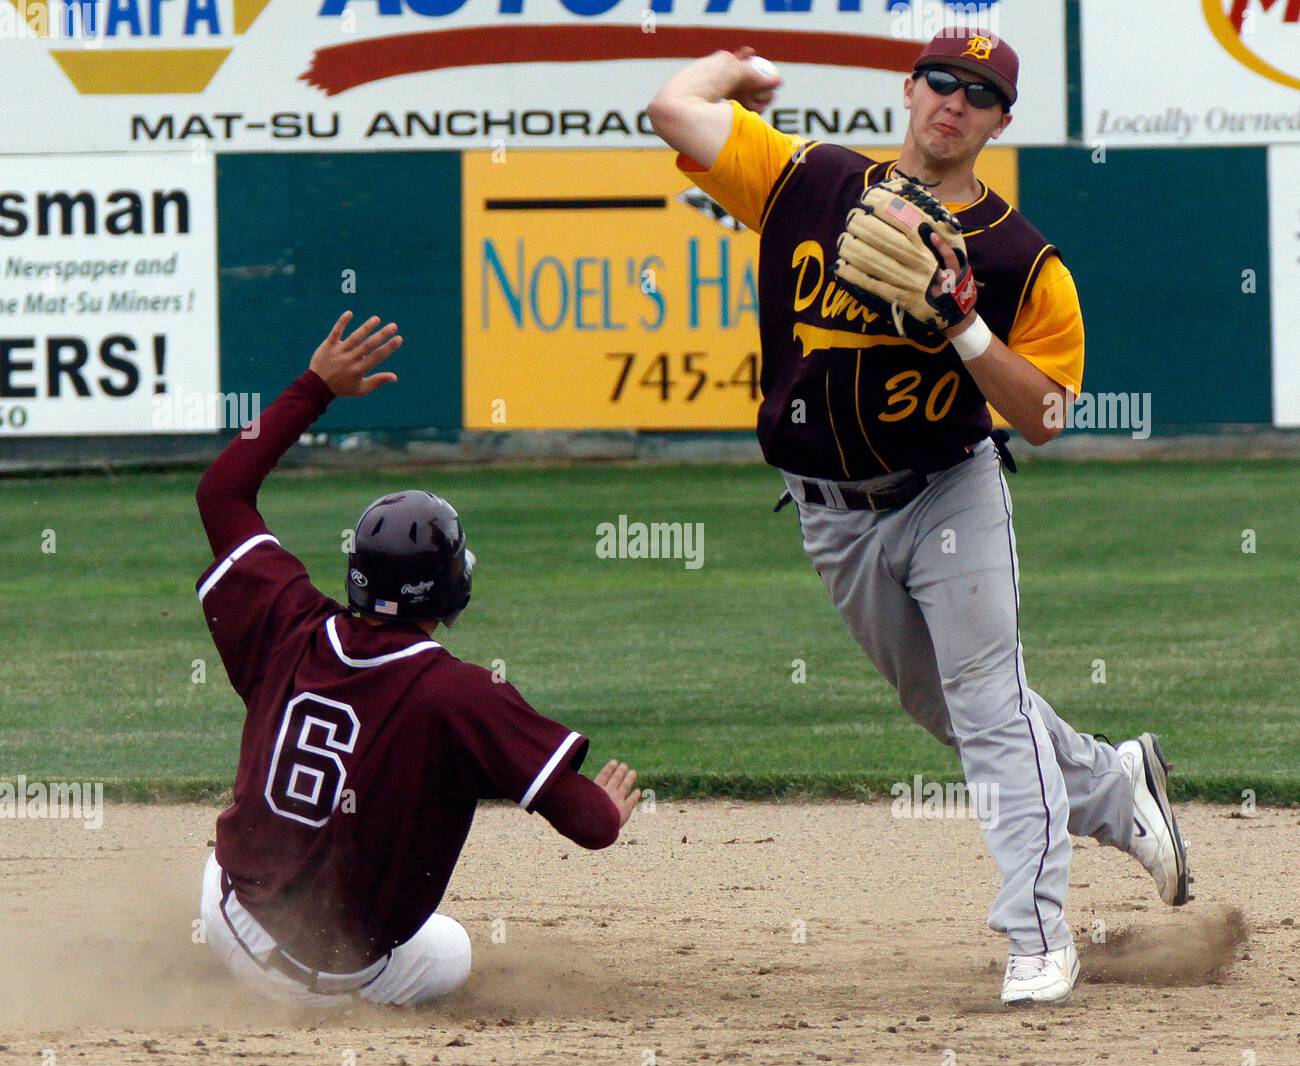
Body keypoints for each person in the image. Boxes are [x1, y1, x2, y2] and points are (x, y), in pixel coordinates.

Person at [648, 29, 1189, 1005]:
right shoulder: (807, 180)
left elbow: (1049, 416)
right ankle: (1114, 787)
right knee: (941, 708)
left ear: (999, 121)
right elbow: (674, 110)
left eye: (978, 93)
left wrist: (965, 325)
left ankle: (1035, 938)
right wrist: (739, 71)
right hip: (828, 514)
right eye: (940, 80)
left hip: (948, 491)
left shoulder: (1023, 260)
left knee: (986, 705)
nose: (953, 101)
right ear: (908, 87)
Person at [195, 311, 640, 1007]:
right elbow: (593, 826)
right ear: (452, 587)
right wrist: (608, 806)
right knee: (450, 946)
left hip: (226, 921)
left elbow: (220, 491)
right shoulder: (460, 695)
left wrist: (316, 386)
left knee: (232, 874)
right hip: (330, 984)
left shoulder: (287, 619)